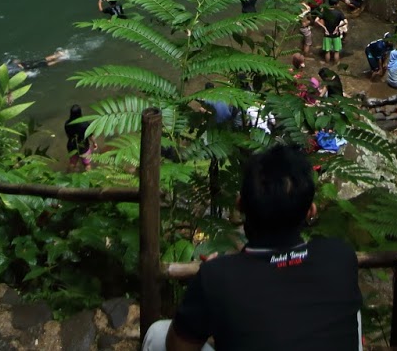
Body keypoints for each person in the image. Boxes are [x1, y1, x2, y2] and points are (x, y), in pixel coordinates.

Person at [142, 144, 363, 351]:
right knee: (350, 310)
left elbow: (177, 346)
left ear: (240, 205)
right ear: (310, 212)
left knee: (158, 334)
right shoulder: (340, 256)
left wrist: (215, 284)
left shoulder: (217, 277)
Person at [318, 0, 347, 66]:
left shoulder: (325, 12)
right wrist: (338, 27)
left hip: (327, 34)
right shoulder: (339, 13)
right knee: (336, 51)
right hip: (336, 34)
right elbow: (345, 22)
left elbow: (316, 20)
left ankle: (327, 63)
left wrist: (324, 27)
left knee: (327, 51)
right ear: (335, 4)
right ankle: (336, 63)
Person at [65, 105, 93, 169]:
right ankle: (89, 175)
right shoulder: (85, 124)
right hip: (84, 147)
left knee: (72, 163)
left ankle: (69, 174)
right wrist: (94, 143)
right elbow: (90, 135)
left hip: (71, 146)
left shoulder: (67, 123)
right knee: (87, 164)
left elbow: (68, 135)